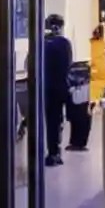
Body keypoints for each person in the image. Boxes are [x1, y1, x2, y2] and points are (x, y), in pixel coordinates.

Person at [36, 14, 73, 166]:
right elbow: (69, 64)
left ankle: (50, 152)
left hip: (45, 87)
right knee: (58, 120)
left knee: (48, 120)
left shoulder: (41, 43)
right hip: (61, 86)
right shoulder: (65, 43)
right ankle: (55, 152)